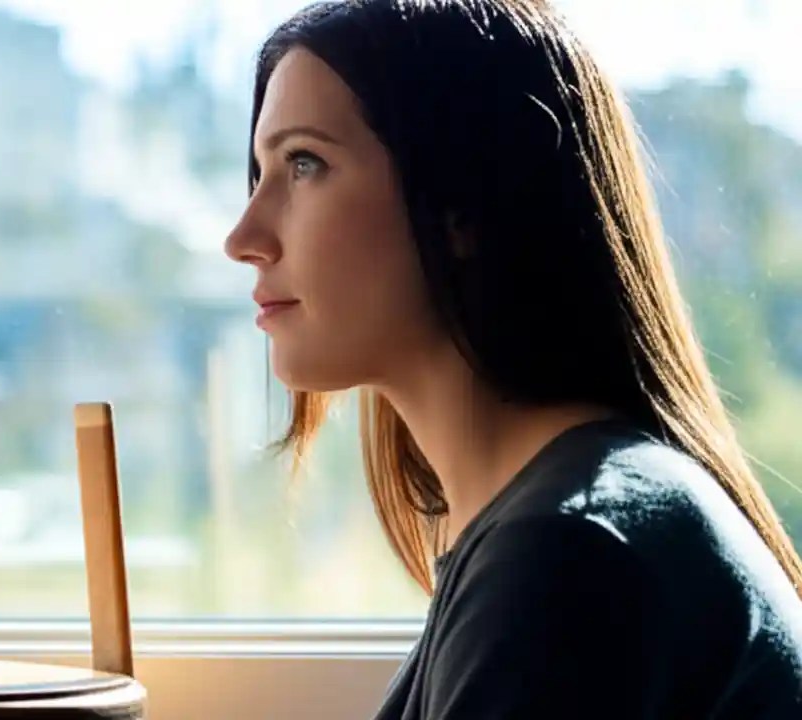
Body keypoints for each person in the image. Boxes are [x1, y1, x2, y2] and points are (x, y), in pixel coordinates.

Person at [224, 1, 802, 717]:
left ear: (463, 205)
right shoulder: (559, 531)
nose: (244, 234)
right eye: (259, 172)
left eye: (304, 163)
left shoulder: (567, 554)